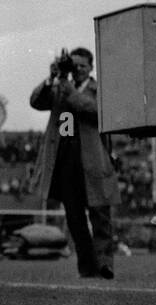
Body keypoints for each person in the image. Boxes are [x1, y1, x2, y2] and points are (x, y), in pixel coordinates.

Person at [30, 47, 120, 279]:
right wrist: (51, 78)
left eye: (82, 66)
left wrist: (69, 91)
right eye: (74, 65)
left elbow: (96, 111)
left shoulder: (98, 89)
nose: (78, 70)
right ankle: (88, 267)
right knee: (75, 219)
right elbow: (36, 102)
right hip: (67, 161)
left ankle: (105, 264)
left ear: (91, 67)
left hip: (94, 161)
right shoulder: (60, 87)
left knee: (101, 216)